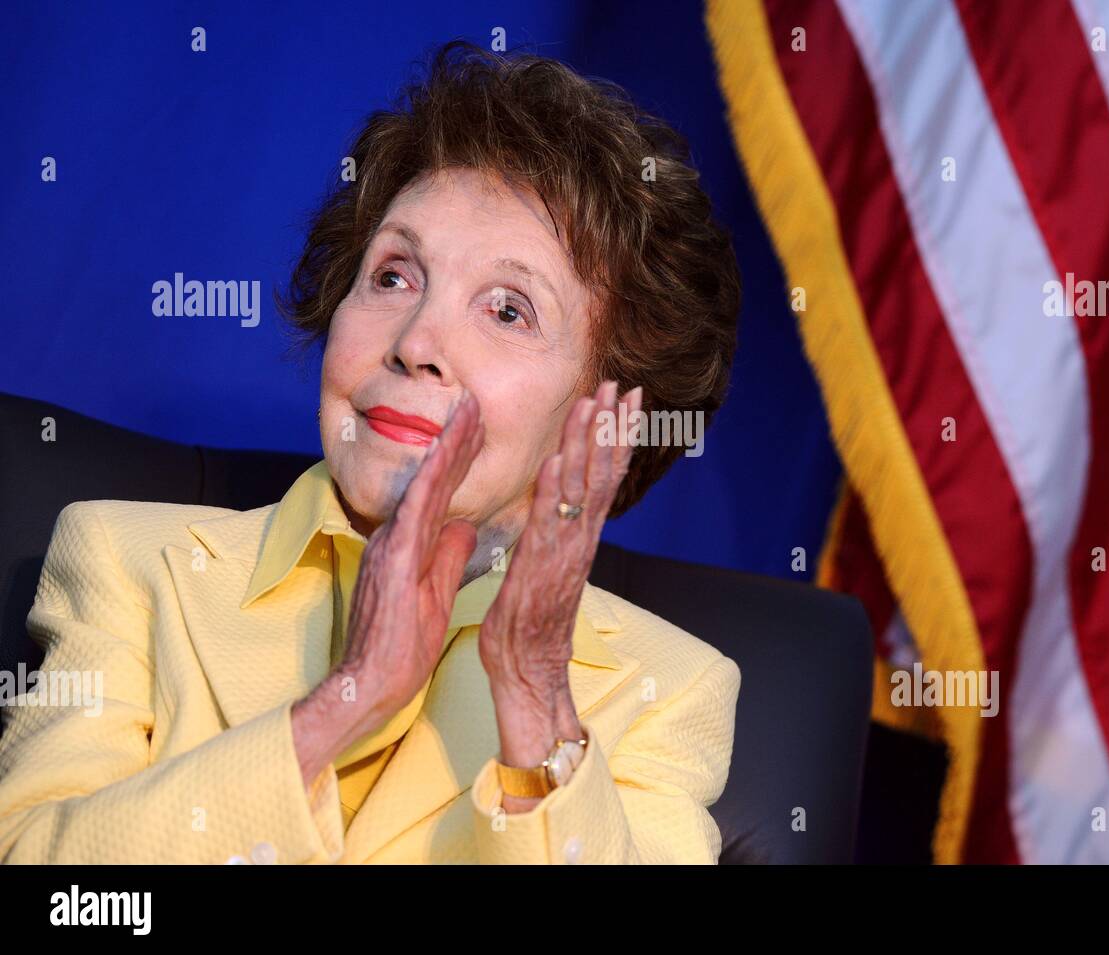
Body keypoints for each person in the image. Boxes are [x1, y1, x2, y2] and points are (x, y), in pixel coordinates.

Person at [0, 40, 742, 864]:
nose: (417, 340)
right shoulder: (125, 560)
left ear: (607, 414)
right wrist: (340, 708)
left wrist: (536, 704)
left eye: (507, 310)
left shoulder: (670, 689)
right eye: (393, 275)